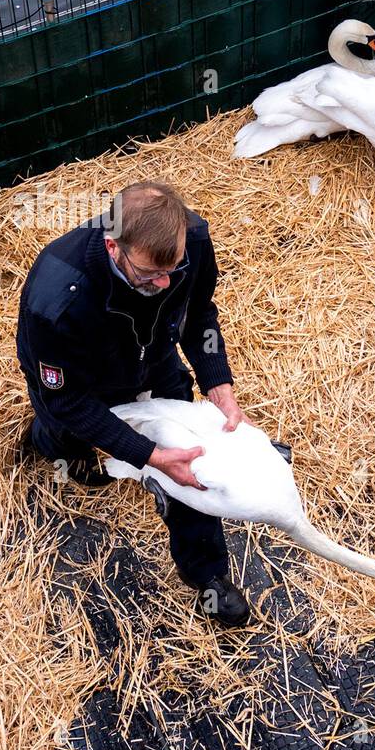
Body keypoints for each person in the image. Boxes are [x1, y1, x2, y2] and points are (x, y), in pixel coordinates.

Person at [17, 180, 252, 626]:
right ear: (112, 246)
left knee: (189, 462)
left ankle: (207, 573)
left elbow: (199, 312)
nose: (164, 282)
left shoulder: (193, 240)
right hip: (80, 381)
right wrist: (148, 456)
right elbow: (65, 398)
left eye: (173, 269)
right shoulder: (57, 297)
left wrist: (215, 379)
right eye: (148, 275)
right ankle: (48, 441)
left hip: (153, 358)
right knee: (74, 450)